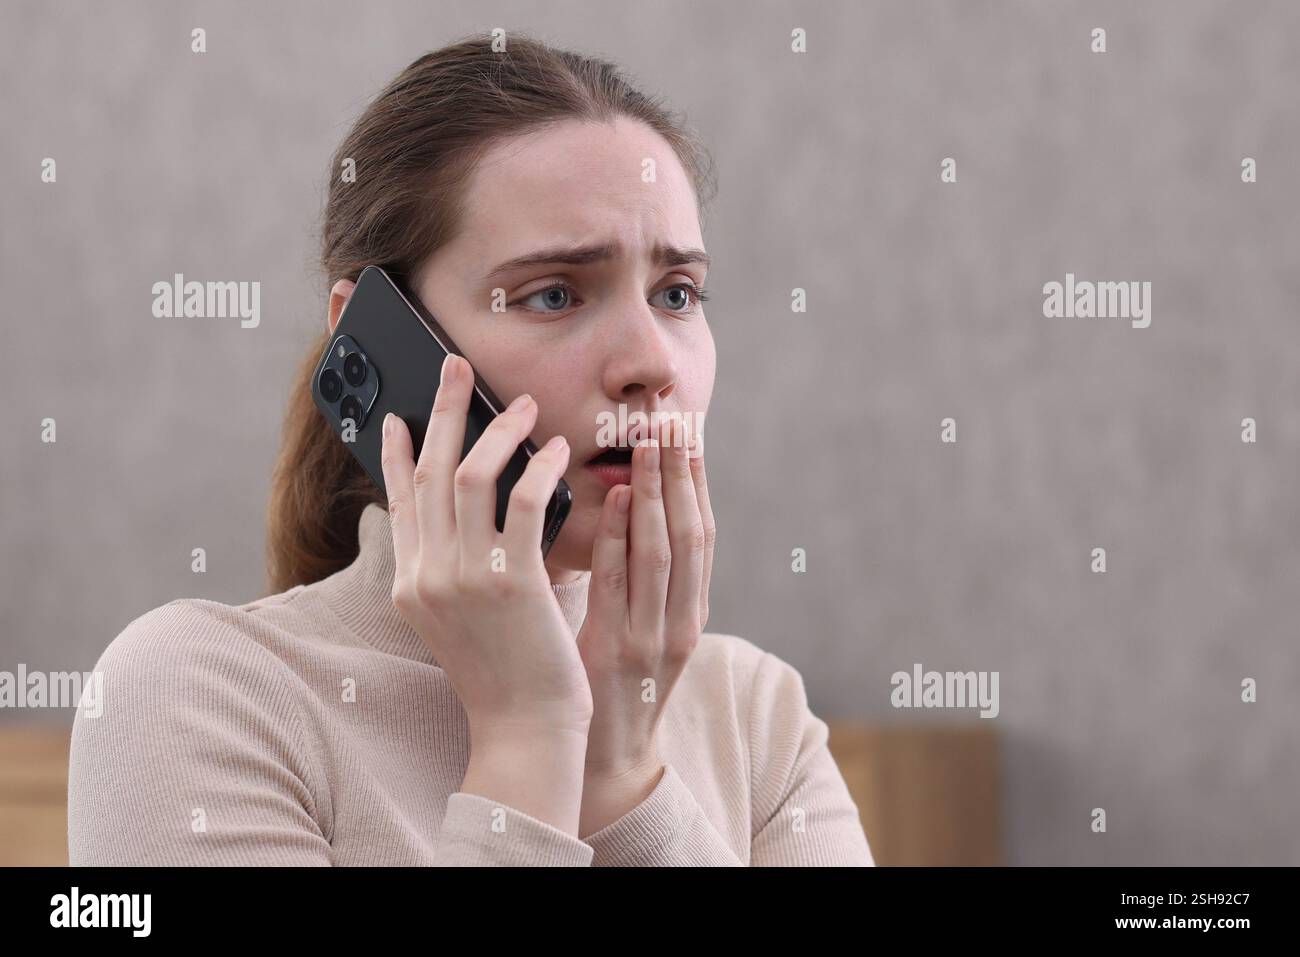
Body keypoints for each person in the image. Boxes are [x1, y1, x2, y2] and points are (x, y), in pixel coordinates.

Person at [67, 33, 875, 866]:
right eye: (554, 293)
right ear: (379, 343)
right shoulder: (198, 693)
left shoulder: (758, 716)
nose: (652, 365)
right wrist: (529, 736)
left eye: (677, 293)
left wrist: (621, 774)